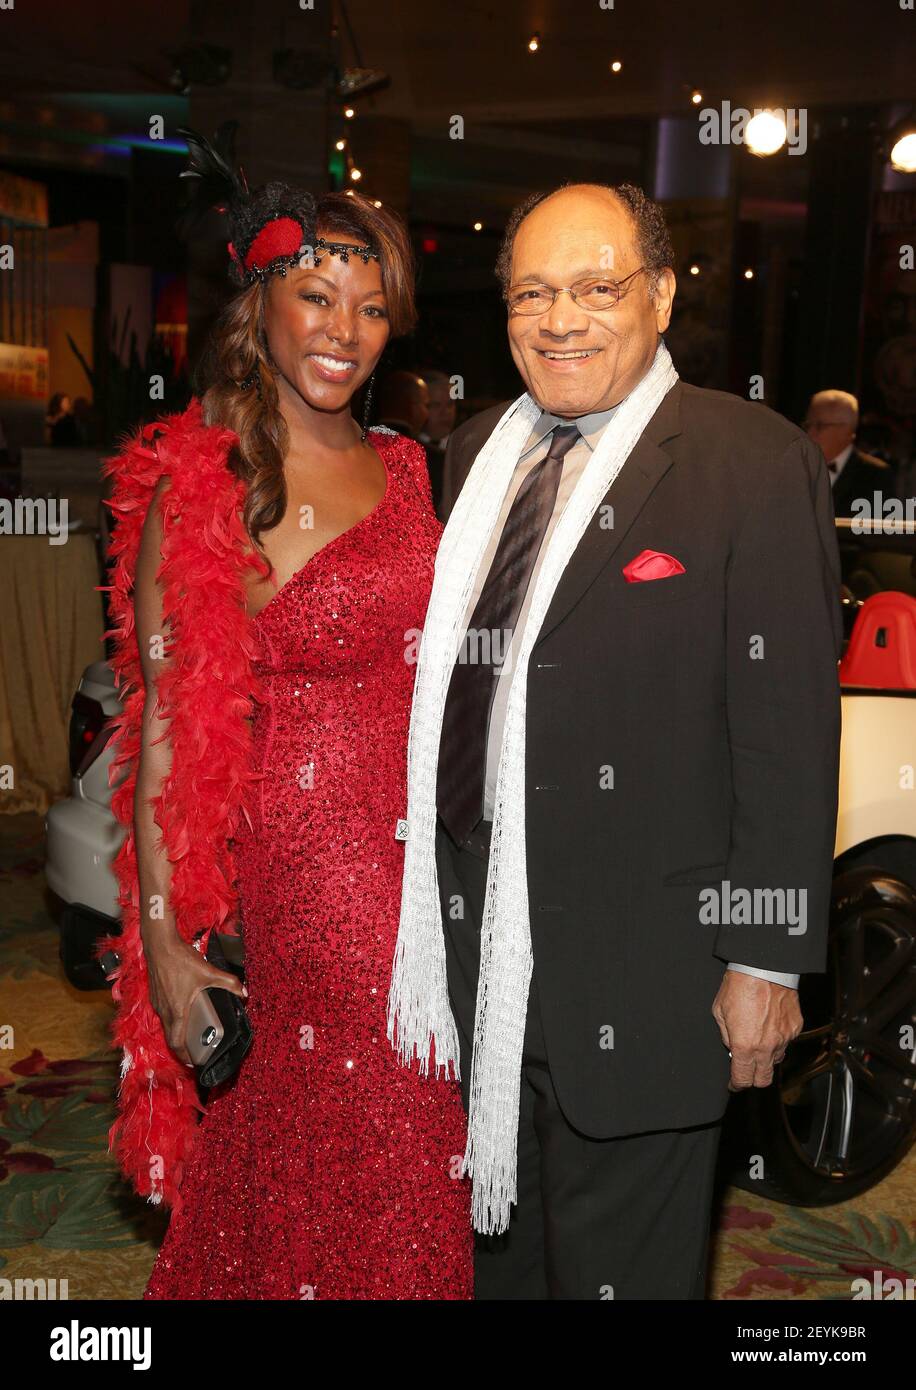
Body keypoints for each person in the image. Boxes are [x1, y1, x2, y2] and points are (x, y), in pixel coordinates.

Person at [388, 182, 842, 1300]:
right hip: (481, 944)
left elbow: (787, 731)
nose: (561, 320)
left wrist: (765, 957)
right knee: (498, 1266)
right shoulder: (478, 451)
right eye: (532, 293)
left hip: (653, 966)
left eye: (597, 288)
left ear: (664, 293)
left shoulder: (751, 461)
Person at [101, 126, 471, 1300]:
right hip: (306, 889)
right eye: (315, 295)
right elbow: (164, 728)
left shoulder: (411, 468)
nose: (342, 332)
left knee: (389, 1159)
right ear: (260, 299)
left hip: (424, 870)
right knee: (382, 1144)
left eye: (369, 309)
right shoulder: (204, 477)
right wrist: (164, 943)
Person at [803, 389, 891, 517]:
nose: (809, 433)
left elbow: (880, 534)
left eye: (819, 426)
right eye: (807, 425)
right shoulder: (794, 468)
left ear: (847, 430)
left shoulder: (876, 476)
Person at [418, 368, 457, 518]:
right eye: (435, 405)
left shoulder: (465, 447)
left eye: (450, 404)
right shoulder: (408, 452)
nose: (445, 412)